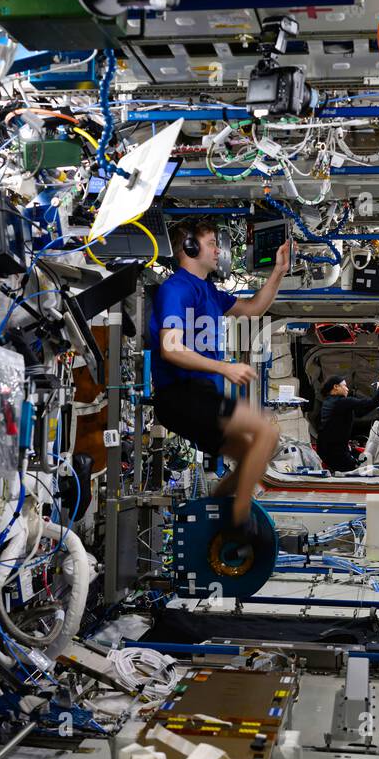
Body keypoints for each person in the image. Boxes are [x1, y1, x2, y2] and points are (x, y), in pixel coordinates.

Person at [149, 220, 290, 540]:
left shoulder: (208, 291)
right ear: (189, 247)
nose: (218, 250)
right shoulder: (177, 289)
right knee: (266, 431)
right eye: (212, 243)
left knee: (252, 454)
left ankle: (214, 509)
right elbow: (170, 348)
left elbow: (254, 307)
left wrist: (278, 272)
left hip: (199, 394)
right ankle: (238, 524)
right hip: (181, 395)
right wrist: (224, 368)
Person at [315, 374, 379, 473]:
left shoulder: (329, 402)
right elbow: (372, 403)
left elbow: (360, 413)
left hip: (325, 449)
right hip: (335, 452)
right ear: (336, 387)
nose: (347, 389)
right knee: (358, 470)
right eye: (344, 386)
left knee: (361, 458)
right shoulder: (342, 402)